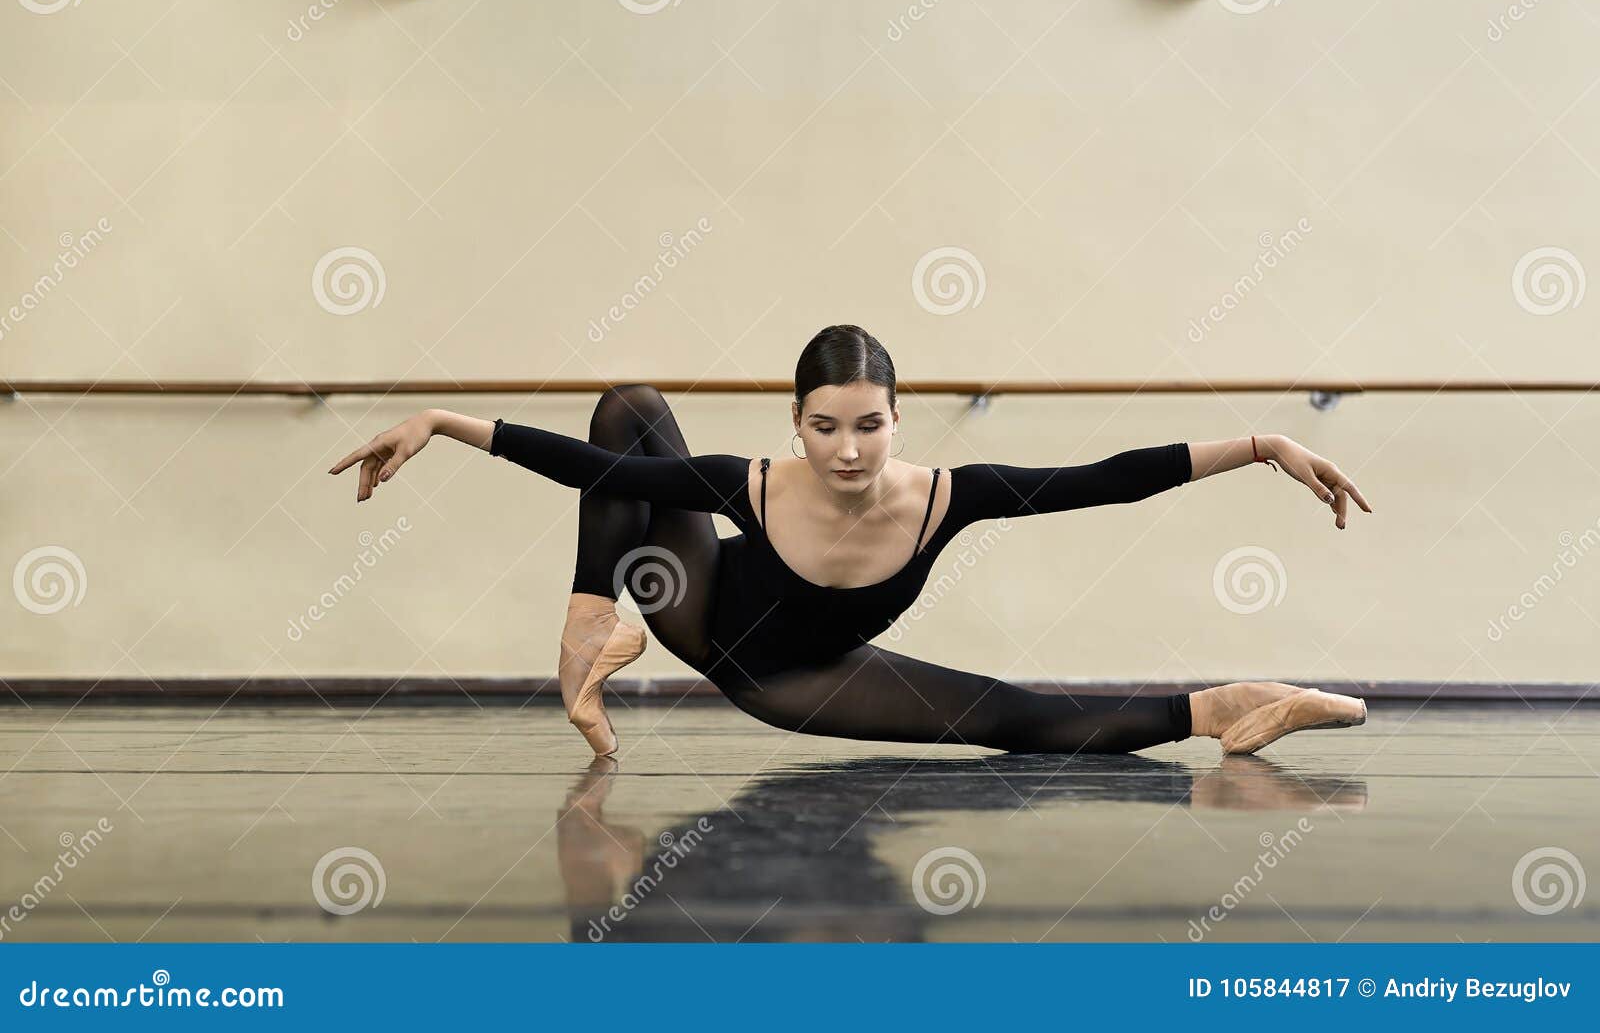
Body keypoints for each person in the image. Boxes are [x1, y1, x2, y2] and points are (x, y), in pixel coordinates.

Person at [328, 325, 1372, 758]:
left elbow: (1100, 482)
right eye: (823, 425)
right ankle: (594, 626)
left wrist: (1260, 442)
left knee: (1016, 720)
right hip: (691, 600)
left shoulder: (947, 497)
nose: (845, 448)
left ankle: (1230, 703)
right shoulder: (748, 481)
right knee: (629, 409)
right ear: (797, 423)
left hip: (789, 677)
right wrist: (443, 421)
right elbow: (606, 470)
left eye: (867, 424)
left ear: (897, 417)